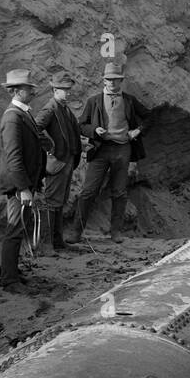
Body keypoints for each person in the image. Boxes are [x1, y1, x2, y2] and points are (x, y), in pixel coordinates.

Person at [65, 62, 149, 244]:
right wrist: (95, 131)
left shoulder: (129, 100)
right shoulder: (93, 101)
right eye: (109, 79)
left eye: (115, 80)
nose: (112, 83)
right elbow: (81, 125)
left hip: (123, 149)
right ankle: (76, 232)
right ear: (104, 81)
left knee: (119, 192)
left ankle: (116, 232)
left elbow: (149, 117)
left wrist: (138, 130)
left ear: (121, 81)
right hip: (100, 150)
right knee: (88, 191)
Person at [0, 69, 51, 288]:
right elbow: (13, 157)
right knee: (14, 231)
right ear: (16, 91)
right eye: (29, 88)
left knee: (19, 230)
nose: (33, 92)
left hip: (25, 183)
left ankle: (12, 275)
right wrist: (24, 188)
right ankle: (9, 280)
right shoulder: (12, 117)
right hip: (18, 186)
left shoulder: (22, 113)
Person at [34, 73, 83, 251]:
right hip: (58, 162)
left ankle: (57, 241)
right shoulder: (50, 109)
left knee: (59, 201)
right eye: (64, 90)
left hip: (67, 160)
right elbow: (34, 129)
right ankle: (47, 245)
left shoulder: (63, 108)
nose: (68, 93)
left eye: (69, 89)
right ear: (55, 90)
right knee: (52, 202)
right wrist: (50, 148)